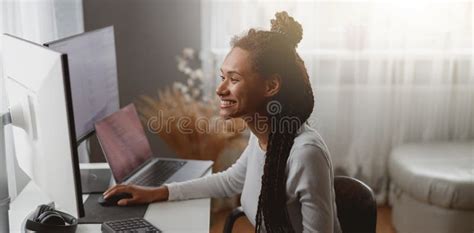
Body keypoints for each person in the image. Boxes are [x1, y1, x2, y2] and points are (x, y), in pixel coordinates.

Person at [104, 11, 342, 233]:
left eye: (234, 79)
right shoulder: (264, 137)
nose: (220, 89)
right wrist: (158, 193)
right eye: (222, 77)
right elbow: (230, 180)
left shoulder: (305, 154)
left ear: (271, 86)